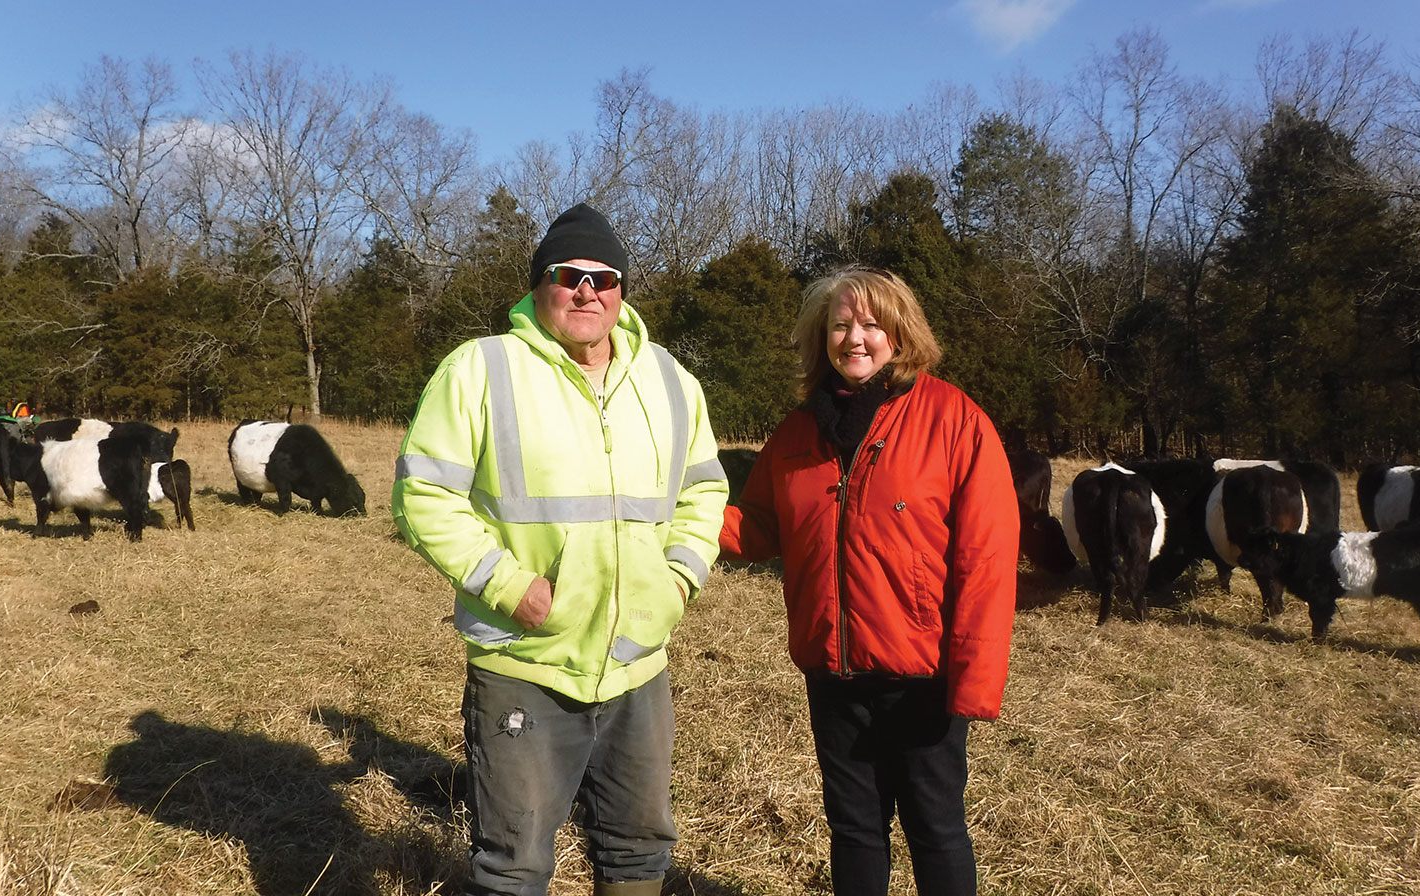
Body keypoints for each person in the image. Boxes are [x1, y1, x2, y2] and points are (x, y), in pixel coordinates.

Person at [392, 202, 727, 896]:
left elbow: (704, 493)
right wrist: (511, 587)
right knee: (512, 864)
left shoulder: (670, 380)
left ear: (622, 290)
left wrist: (674, 585)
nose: (587, 290)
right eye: (568, 274)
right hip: (525, 661)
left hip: (638, 666)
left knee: (638, 852)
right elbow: (423, 495)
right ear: (538, 284)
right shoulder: (481, 369)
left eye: (604, 278)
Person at [720, 265, 1018, 896]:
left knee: (935, 827)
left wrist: (975, 678)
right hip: (833, 673)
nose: (854, 338)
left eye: (871, 323)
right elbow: (759, 527)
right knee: (853, 829)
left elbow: (986, 561)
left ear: (901, 333)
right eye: (839, 324)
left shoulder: (954, 420)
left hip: (923, 679)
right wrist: (674, 517)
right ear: (819, 337)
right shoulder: (800, 430)